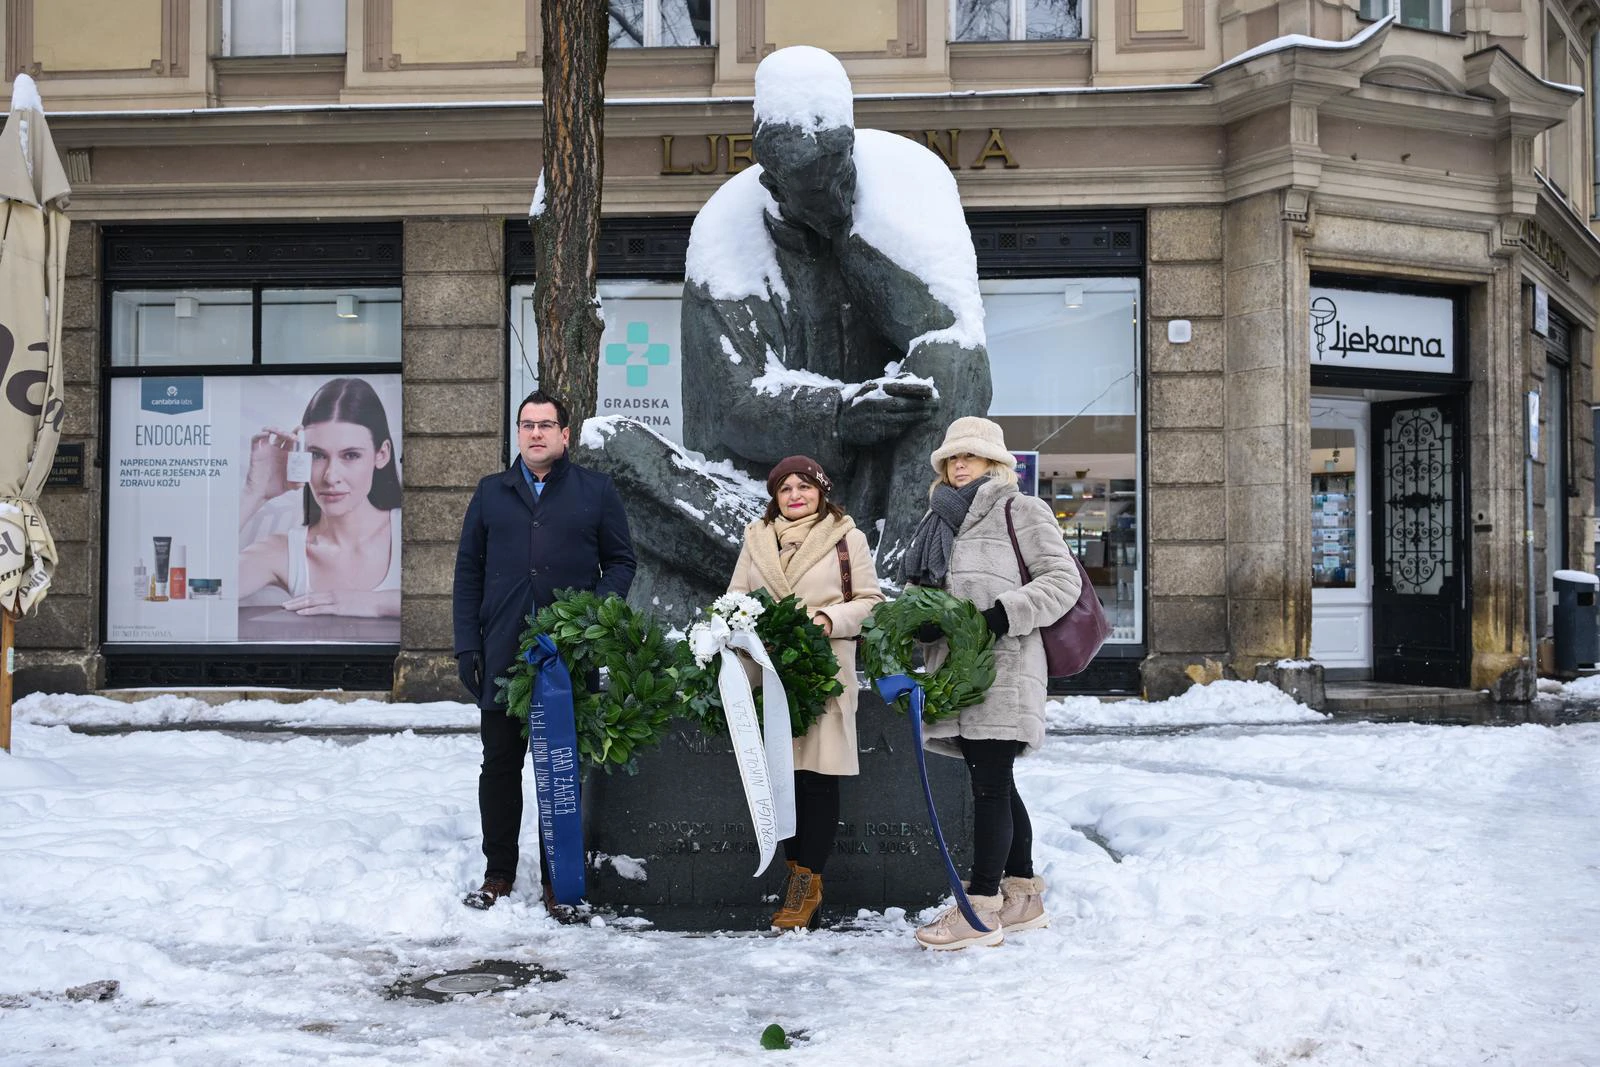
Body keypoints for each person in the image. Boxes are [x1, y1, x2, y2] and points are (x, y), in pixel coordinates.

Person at [899, 416, 1081, 950]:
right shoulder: (936, 521)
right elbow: (918, 591)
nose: (958, 465)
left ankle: (980, 909)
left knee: (990, 785)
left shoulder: (1020, 509)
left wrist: (1004, 614)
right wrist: (921, 622)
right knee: (996, 780)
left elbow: (1062, 580)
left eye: (970, 457)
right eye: (951, 458)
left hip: (1005, 668)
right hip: (953, 674)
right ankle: (1023, 897)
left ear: (994, 463)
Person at [452, 390, 637, 910]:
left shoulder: (596, 492)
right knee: (500, 767)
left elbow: (621, 563)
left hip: (567, 656)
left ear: (564, 435)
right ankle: (499, 873)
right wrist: (467, 644)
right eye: (526, 424)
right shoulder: (491, 493)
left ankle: (560, 879)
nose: (535, 433)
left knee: (560, 767)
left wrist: (590, 616)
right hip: (501, 653)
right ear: (518, 433)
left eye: (545, 424)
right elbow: (467, 572)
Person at [725, 455, 884, 930]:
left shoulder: (845, 538)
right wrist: (739, 629)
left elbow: (871, 602)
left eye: (804, 487)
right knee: (780, 779)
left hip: (824, 673)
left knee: (817, 779)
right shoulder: (756, 540)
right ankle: (796, 875)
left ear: (821, 491)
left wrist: (827, 620)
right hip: (768, 673)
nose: (795, 495)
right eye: (785, 489)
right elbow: (734, 598)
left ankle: (807, 884)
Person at [238, 377, 401, 618]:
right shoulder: (284, 551)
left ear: (382, 454)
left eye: (351, 455)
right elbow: (185, 592)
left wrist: (377, 603)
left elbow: (460, 602)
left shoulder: (411, 534)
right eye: (316, 455)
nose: (330, 476)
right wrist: (255, 492)